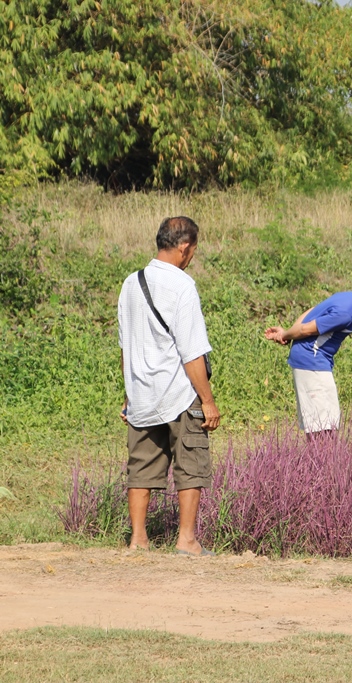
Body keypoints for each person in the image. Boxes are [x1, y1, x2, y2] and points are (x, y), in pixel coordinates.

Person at [117, 216, 221, 556]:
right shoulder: (182, 286)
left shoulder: (131, 283)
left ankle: (138, 540)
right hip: (178, 393)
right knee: (190, 463)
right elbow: (191, 351)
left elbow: (126, 344)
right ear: (184, 247)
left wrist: (128, 394)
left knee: (141, 467)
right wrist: (207, 400)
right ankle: (187, 540)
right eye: (193, 250)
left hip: (142, 395)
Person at [264, 284, 352, 438]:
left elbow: (313, 311)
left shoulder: (350, 297)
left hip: (313, 361)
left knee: (326, 423)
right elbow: (305, 329)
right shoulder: (347, 313)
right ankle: (320, 462)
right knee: (323, 429)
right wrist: (286, 335)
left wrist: (287, 332)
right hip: (312, 361)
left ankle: (322, 461)